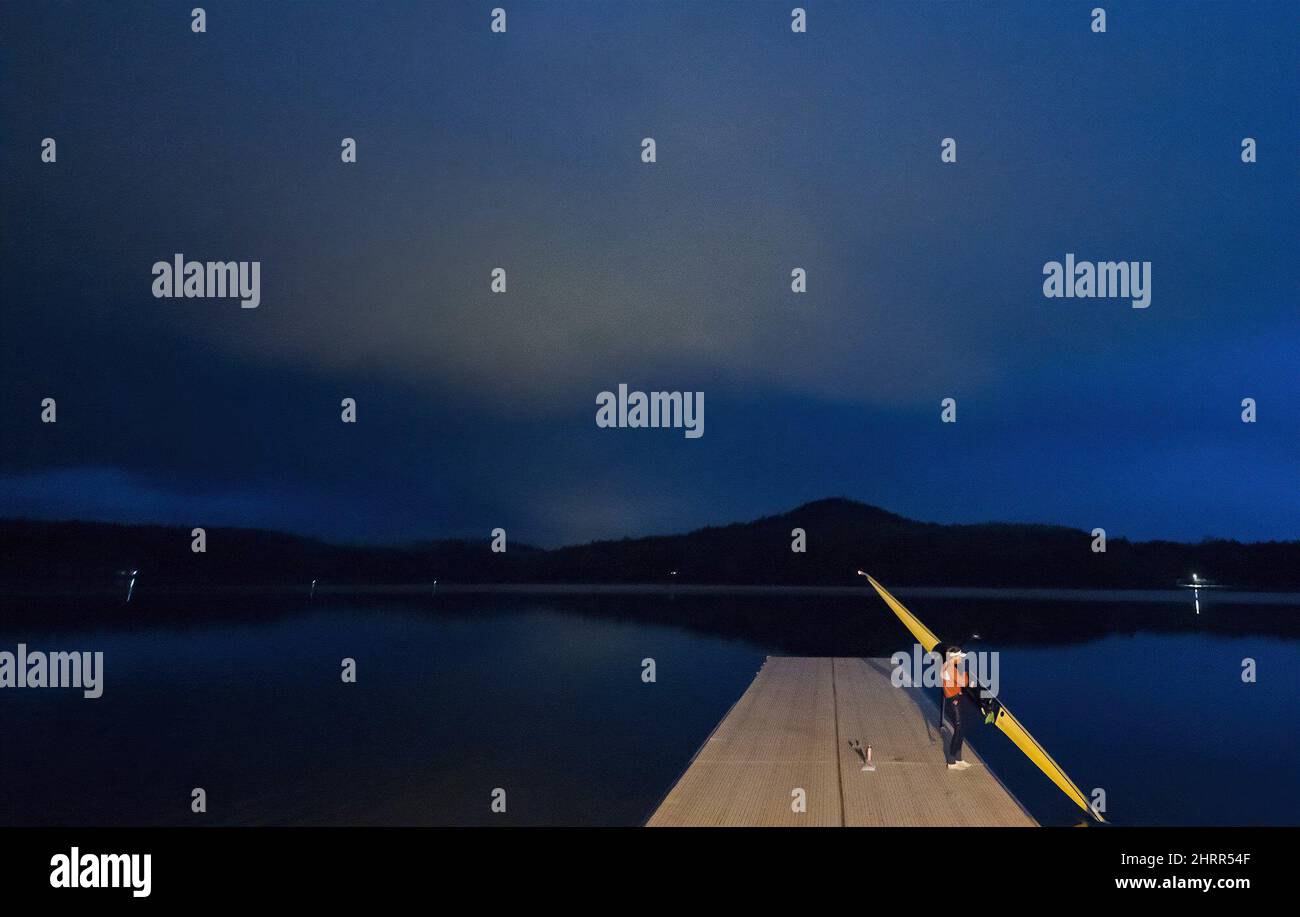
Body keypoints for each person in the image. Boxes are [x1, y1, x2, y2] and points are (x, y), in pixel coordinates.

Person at [942, 645, 972, 770]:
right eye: (960, 657)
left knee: (962, 729)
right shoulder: (950, 669)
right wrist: (967, 674)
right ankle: (951, 761)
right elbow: (963, 682)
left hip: (955, 699)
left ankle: (959, 759)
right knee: (959, 729)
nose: (961, 659)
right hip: (953, 701)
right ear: (954, 658)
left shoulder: (947, 665)